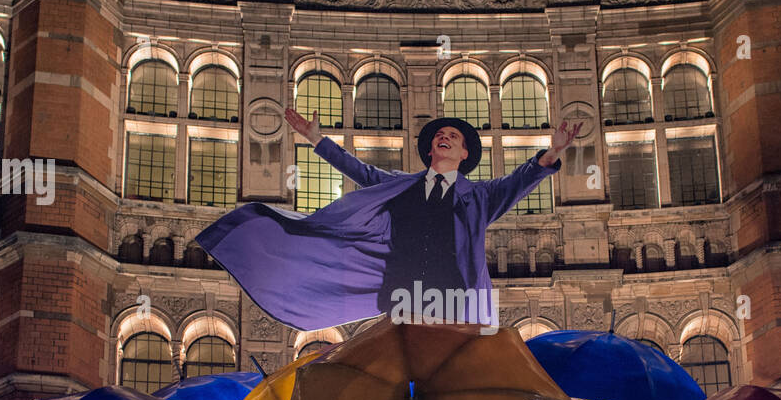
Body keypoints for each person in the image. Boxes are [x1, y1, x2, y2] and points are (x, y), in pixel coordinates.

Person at [196, 109, 583, 329]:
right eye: (439, 136)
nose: (443, 138)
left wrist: (553, 151)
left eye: (453, 136)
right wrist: (317, 139)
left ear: (465, 153)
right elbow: (359, 171)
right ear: (431, 148)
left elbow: (521, 180)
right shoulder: (399, 185)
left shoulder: (479, 196)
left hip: (452, 302)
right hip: (401, 298)